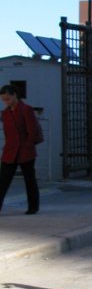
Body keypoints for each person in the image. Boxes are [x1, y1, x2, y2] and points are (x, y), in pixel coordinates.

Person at [0, 84, 42, 215]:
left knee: (29, 180)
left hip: (25, 150)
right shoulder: (5, 113)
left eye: (8, 99)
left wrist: (28, 145)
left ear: (14, 95)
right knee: (3, 181)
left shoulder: (26, 110)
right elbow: (7, 134)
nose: (6, 102)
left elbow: (32, 131)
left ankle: (33, 207)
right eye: (3, 100)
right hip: (10, 151)